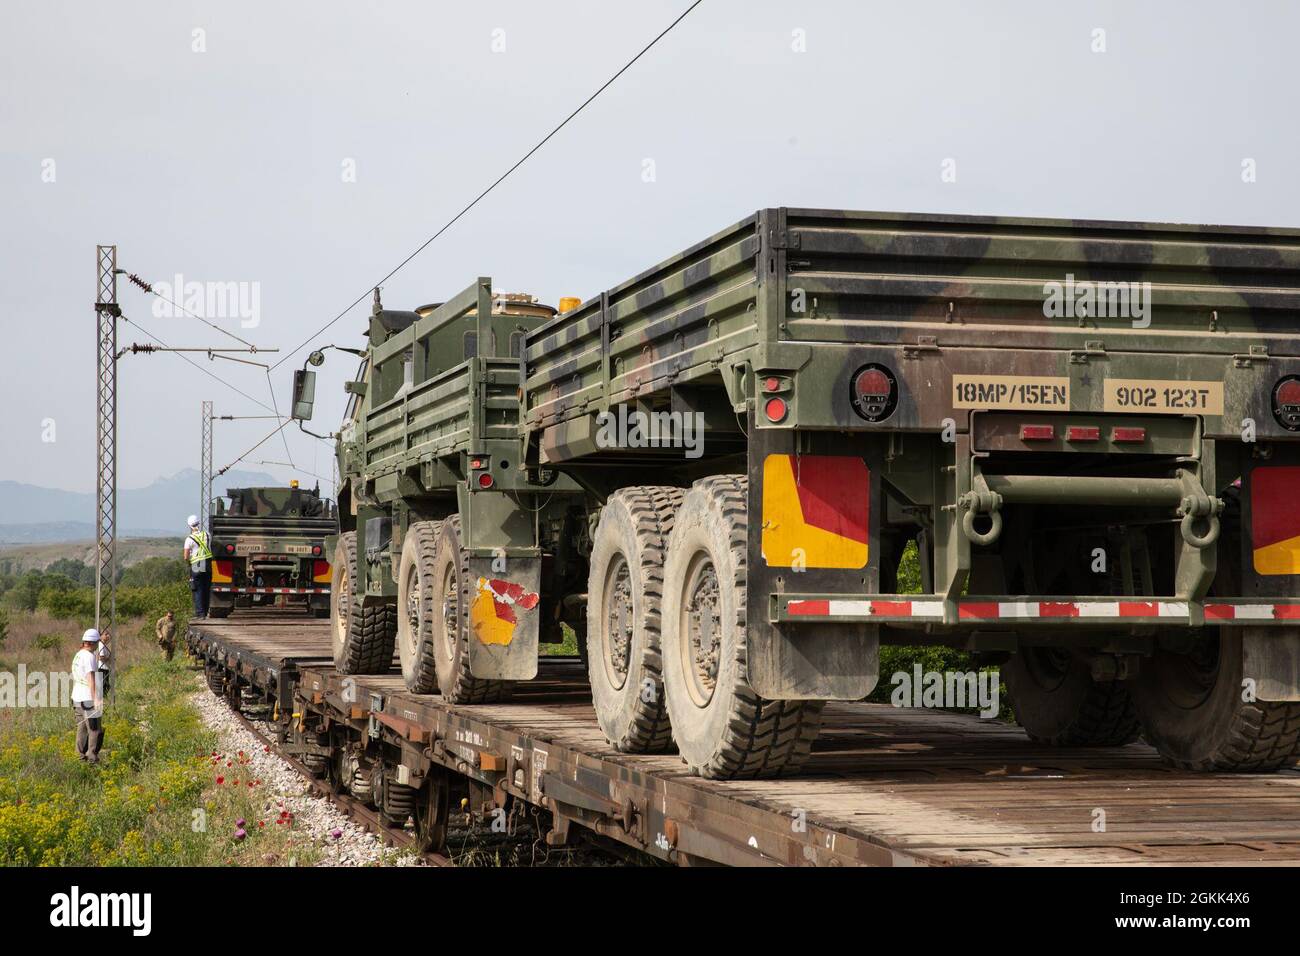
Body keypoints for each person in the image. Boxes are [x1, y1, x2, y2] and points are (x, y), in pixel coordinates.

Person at [71, 629, 104, 764]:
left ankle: (79, 758)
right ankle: (92, 759)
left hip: (77, 698)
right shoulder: (89, 657)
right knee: (95, 729)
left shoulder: (78, 655)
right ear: (93, 642)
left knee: (82, 728)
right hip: (88, 699)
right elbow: (90, 678)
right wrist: (96, 698)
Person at [184, 514, 213, 617]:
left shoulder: (189, 539)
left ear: (190, 526)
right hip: (208, 563)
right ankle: (206, 611)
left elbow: (186, 556)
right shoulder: (207, 535)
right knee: (206, 588)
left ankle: (200, 614)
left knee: (198, 589)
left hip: (197, 564)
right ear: (198, 524)